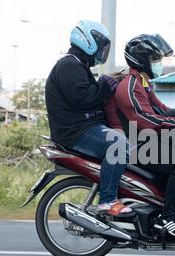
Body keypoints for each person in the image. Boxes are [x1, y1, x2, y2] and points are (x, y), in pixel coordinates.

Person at [105, 34, 175, 238]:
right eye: (155, 60)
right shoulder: (131, 87)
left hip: (145, 138)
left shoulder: (143, 83)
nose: (158, 64)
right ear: (142, 60)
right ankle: (166, 216)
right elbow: (149, 121)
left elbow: (163, 110)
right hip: (134, 144)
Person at [45, 20, 131, 216]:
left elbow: (88, 94)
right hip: (74, 132)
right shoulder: (68, 65)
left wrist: (107, 81)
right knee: (117, 143)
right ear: (87, 41)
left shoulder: (77, 65)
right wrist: (104, 83)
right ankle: (108, 201)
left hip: (83, 128)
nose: (102, 51)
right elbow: (83, 99)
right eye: (101, 46)